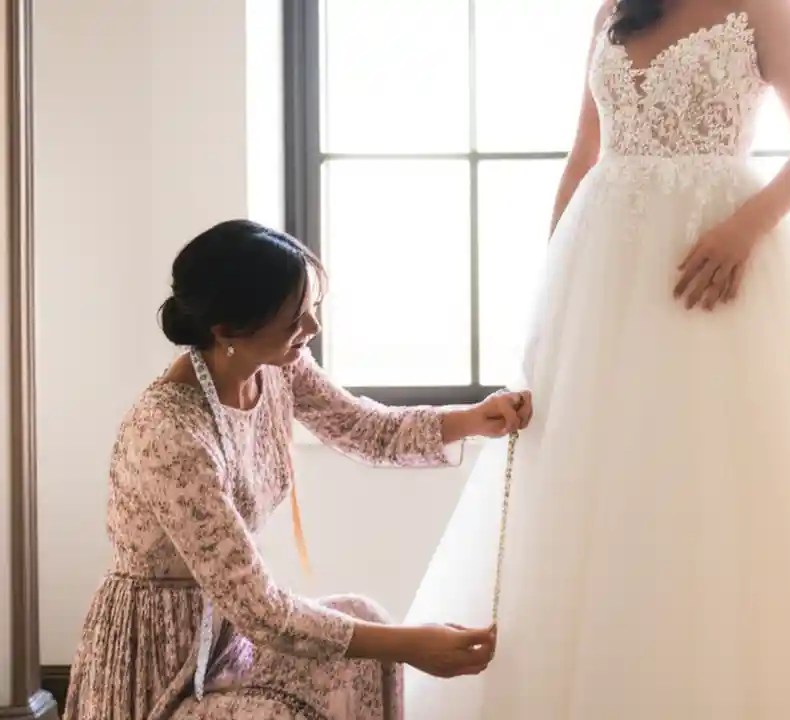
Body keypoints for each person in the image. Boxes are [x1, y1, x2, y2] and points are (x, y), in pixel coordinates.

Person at [403, 0, 790, 716]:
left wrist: (743, 231)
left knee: (731, 480)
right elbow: (585, 153)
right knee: (602, 487)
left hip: (718, 265)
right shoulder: (613, 7)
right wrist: (551, 304)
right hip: (603, 277)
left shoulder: (766, 6)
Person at [63, 219, 532, 719]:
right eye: (295, 319)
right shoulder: (171, 434)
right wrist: (410, 645)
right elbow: (260, 609)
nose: (311, 330)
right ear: (228, 332)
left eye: (311, 311)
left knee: (361, 618)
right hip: (161, 663)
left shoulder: (276, 367)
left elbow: (362, 427)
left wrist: (472, 419)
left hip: (229, 639)